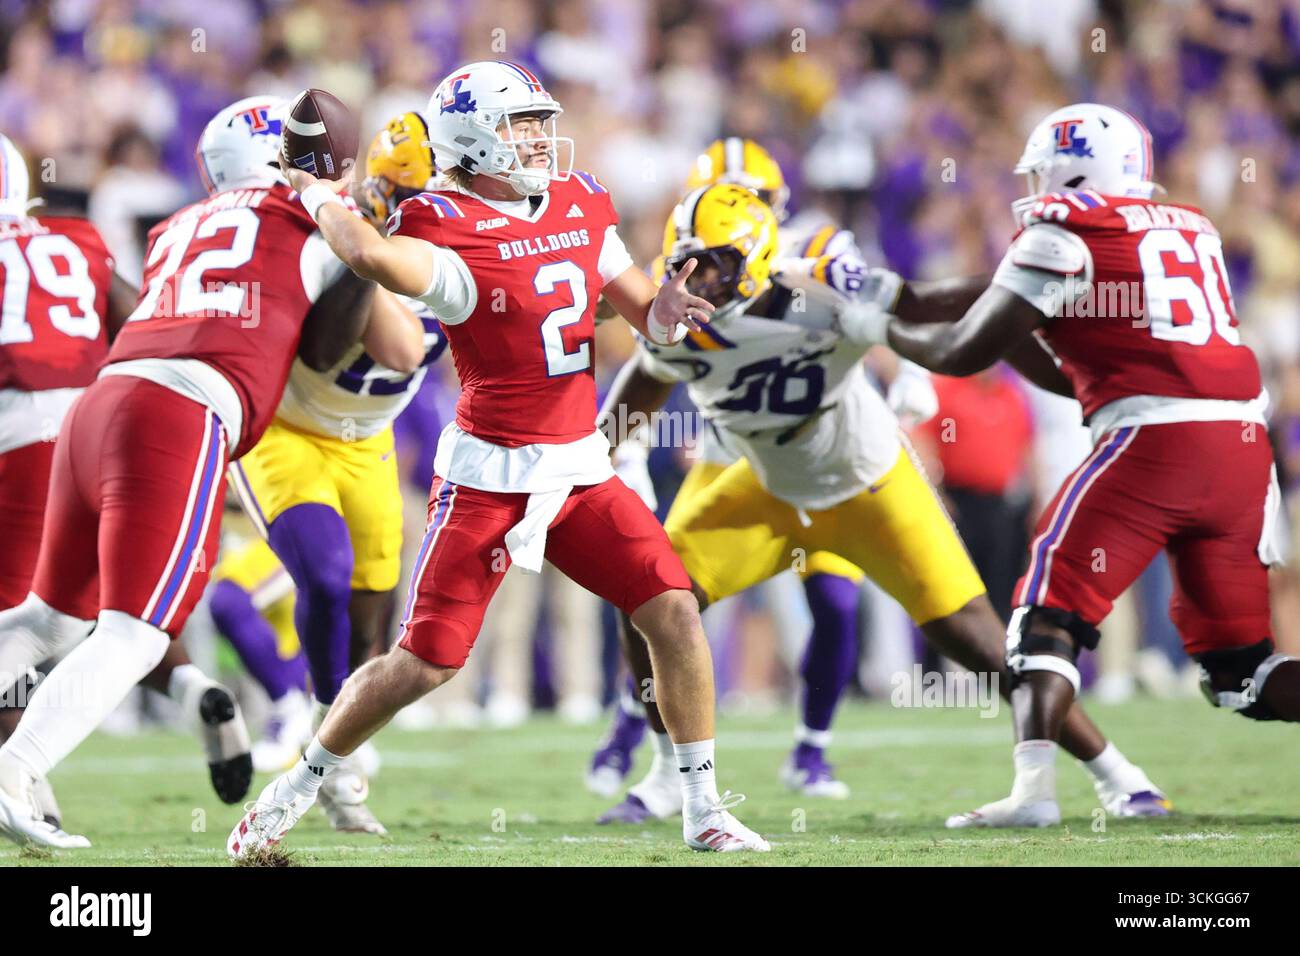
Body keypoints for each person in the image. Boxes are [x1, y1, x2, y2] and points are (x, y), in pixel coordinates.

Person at [228, 61, 769, 857]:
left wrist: (659, 312)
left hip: (580, 469)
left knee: (674, 611)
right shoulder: (441, 221)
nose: (540, 138)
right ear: (475, 135)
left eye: (540, 121)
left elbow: (632, 302)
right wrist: (316, 195)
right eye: (522, 124)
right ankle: (298, 784)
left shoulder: (581, 200)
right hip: (490, 477)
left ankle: (702, 808)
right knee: (422, 664)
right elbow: (377, 263)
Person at [594, 182, 1170, 826]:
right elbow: (641, 384)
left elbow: (927, 308)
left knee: (977, 643)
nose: (698, 281)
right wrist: (600, 452)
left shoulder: (817, 292)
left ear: (756, 257)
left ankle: (1119, 774)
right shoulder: (676, 328)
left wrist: (1012, 295)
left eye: (717, 264)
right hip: (766, 489)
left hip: (871, 486)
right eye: (685, 265)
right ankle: (669, 772)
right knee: (646, 594)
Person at [850, 103, 1295, 827]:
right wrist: (902, 297)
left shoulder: (1064, 231)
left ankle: (1034, 794)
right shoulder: (1191, 227)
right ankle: (1055, 787)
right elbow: (1062, 356)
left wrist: (875, 327)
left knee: (1043, 620)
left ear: (1071, 164)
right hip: (1243, 446)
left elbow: (966, 349)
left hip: (1158, 440)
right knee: (1243, 673)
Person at [0, 95, 383, 847]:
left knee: (54, 618)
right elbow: (322, 352)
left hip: (98, 401)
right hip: (178, 410)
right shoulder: (311, 211)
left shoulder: (185, 220)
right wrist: (363, 239)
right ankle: (15, 772)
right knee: (135, 633)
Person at [588, 137, 938, 802]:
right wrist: (627, 437)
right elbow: (657, 354)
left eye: (752, 201)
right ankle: (642, 738)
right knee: (657, 594)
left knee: (832, 601)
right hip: (726, 452)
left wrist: (912, 375)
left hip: (819, 449)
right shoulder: (688, 260)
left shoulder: (816, 252)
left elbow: (880, 316)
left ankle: (811, 749)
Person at [0, 130, 253, 830]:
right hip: (101, 419)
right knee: (109, 608)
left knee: (34, 619)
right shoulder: (74, 240)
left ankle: (26, 789)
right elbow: (137, 318)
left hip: (18, 440)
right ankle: (191, 684)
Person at [226, 111, 447, 833]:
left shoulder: (465, 253)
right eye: (415, 193)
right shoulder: (332, 241)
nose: (433, 209)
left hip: (371, 443)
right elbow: (352, 351)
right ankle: (325, 743)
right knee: (323, 575)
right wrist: (364, 251)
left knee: (372, 615)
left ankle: (333, 751)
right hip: (290, 433)